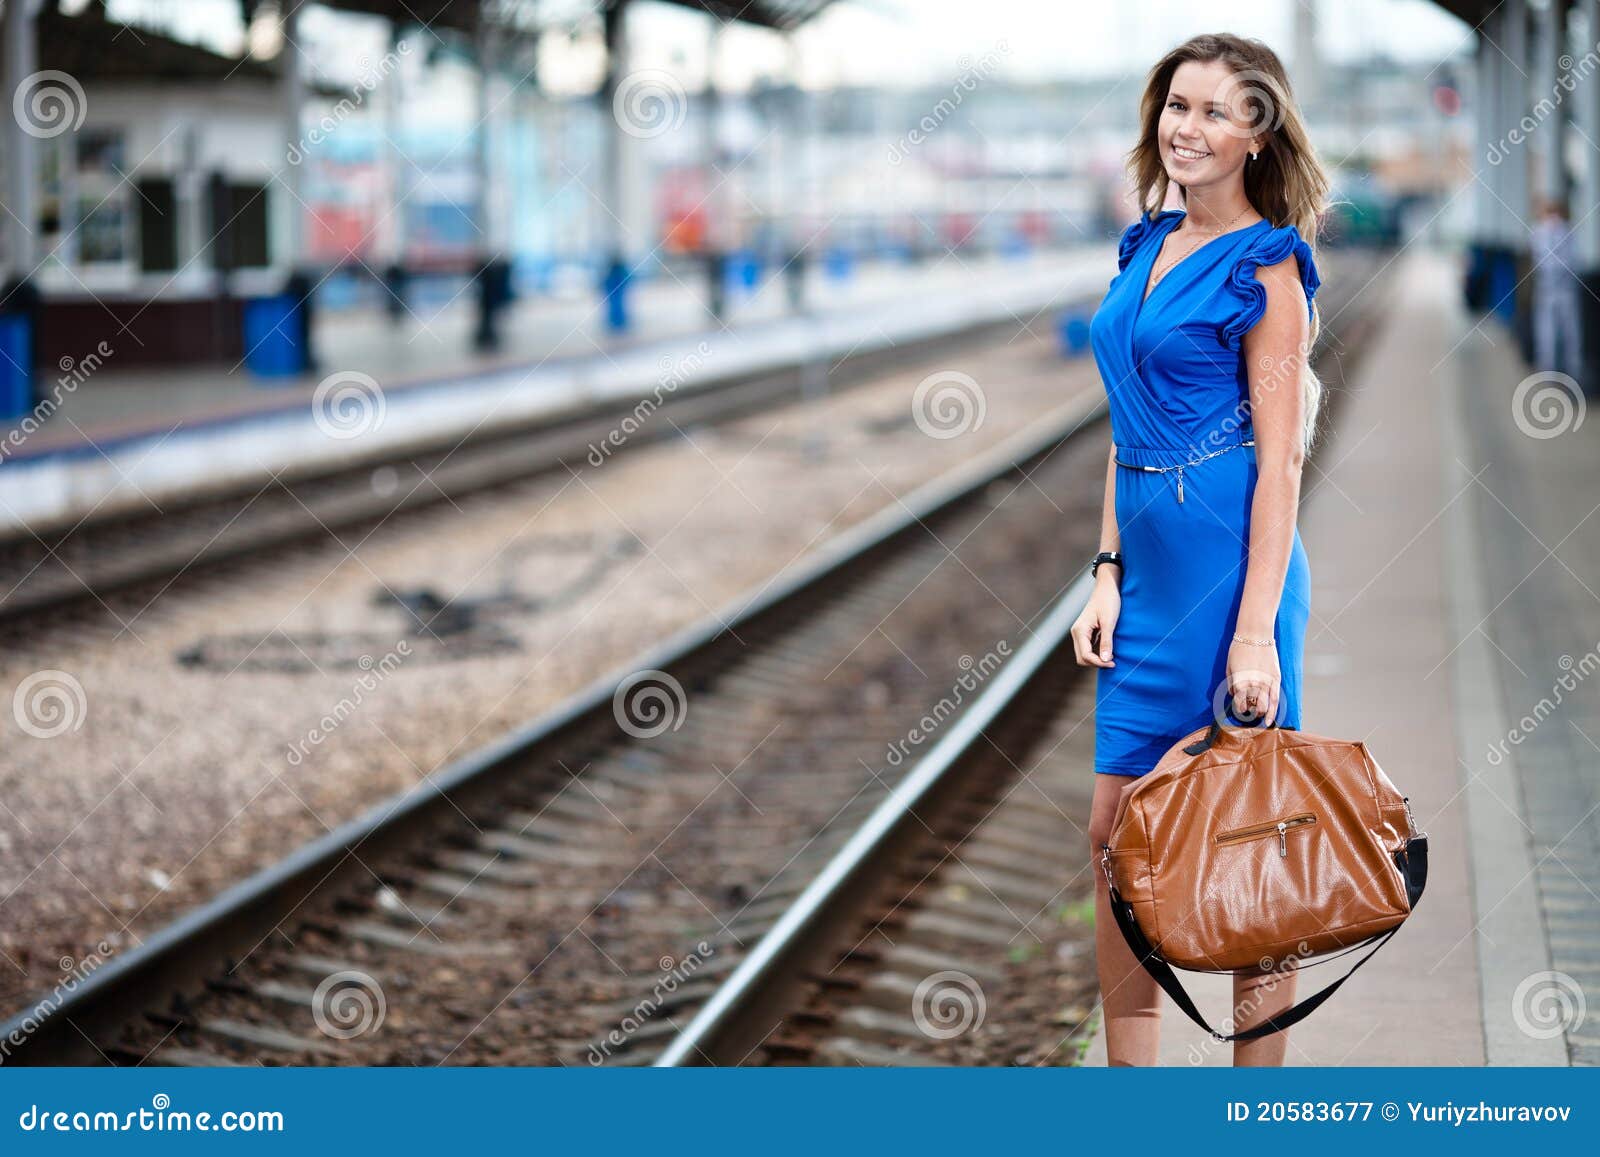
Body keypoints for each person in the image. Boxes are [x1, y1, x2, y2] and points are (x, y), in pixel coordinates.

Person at [1071, 33, 1330, 1067]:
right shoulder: (1143, 245)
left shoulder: (1268, 268)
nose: (1188, 127)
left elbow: (1281, 468)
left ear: (1256, 134)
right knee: (1113, 836)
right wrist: (1103, 572)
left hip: (1232, 573)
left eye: (1217, 111)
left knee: (1246, 843)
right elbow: (1124, 425)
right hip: (1147, 577)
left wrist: (1256, 634)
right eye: (1178, 104)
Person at [1530, 196, 1583, 385]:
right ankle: (1557, 375)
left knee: (1565, 335)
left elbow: (1569, 262)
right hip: (1551, 290)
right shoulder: (1541, 232)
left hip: (1561, 290)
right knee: (1551, 335)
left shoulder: (1560, 232)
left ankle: (1569, 375)